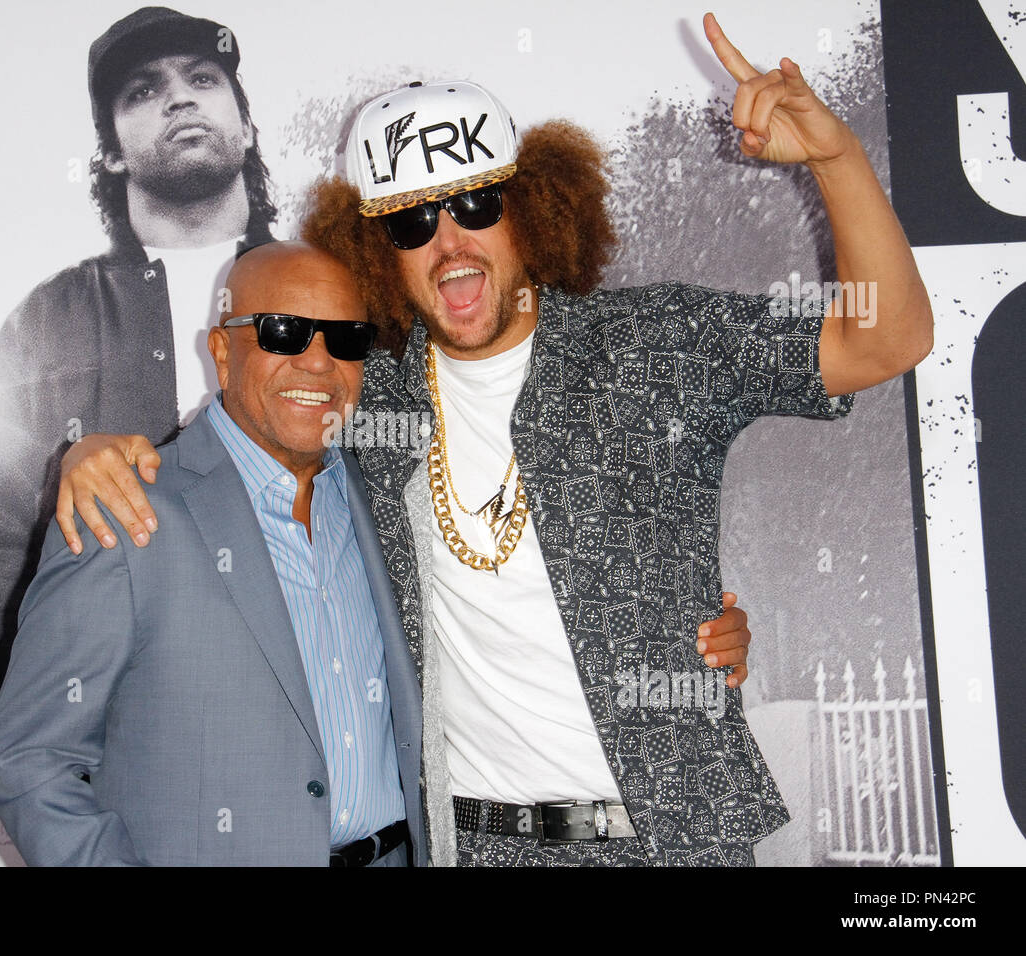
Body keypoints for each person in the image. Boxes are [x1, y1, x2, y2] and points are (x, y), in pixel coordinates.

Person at [59, 15, 907, 866]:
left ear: (531, 207)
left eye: (475, 203)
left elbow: (887, 339)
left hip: (675, 842)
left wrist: (838, 158)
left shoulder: (658, 346)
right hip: (476, 846)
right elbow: (244, 439)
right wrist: (97, 454)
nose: (448, 241)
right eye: (408, 223)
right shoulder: (365, 390)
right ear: (377, 250)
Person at [0, 242, 424, 866]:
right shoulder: (126, 505)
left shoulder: (380, 492)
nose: (319, 362)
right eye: (285, 332)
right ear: (221, 351)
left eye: (346, 339)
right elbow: (28, 759)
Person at [0, 6, 278, 726]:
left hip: (319, 724)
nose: (179, 97)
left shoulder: (341, 291)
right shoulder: (44, 323)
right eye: (141, 90)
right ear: (110, 153)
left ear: (247, 126)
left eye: (203, 77)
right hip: (122, 732)